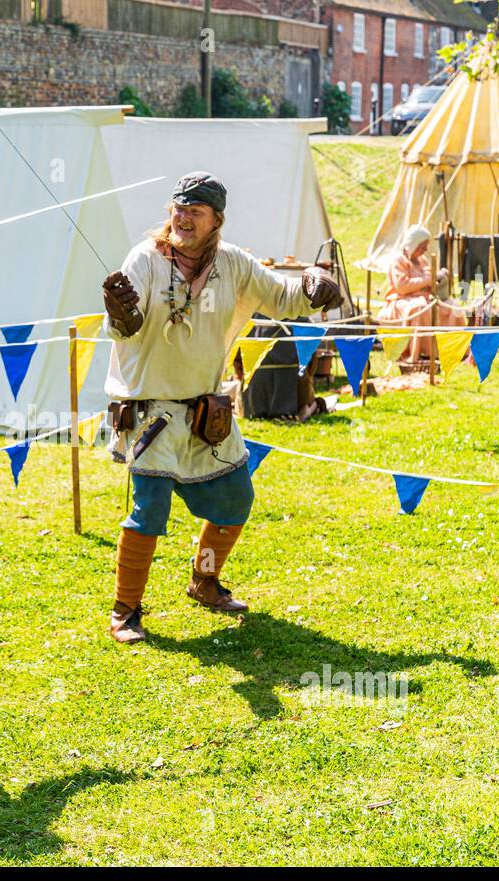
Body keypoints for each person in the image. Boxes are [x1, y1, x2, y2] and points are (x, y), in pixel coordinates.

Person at [100, 172, 342, 644]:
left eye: (196, 212)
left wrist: (314, 284)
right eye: (179, 208)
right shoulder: (145, 259)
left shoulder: (234, 263)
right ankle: (125, 611)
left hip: (205, 411)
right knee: (148, 511)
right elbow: (125, 327)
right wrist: (120, 311)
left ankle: (203, 580)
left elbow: (283, 296)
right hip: (150, 409)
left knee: (235, 501)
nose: (184, 218)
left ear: (216, 220)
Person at [375, 224, 465, 363]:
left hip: (425, 298)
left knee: (453, 307)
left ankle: (453, 349)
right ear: (413, 244)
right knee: (420, 308)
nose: (426, 249)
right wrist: (428, 280)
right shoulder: (398, 261)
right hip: (402, 300)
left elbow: (430, 281)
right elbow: (402, 286)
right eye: (423, 245)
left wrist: (439, 277)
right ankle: (423, 353)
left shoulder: (422, 260)